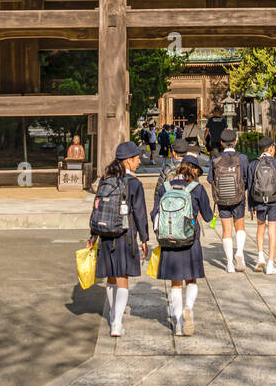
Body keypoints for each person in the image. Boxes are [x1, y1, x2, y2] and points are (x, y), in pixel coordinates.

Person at [87, 140, 148, 337]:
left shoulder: (106, 181)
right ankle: (116, 322)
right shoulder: (134, 184)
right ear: (128, 161)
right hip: (124, 235)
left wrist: (93, 235)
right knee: (123, 278)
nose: (139, 162)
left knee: (111, 278)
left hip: (105, 235)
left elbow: (97, 210)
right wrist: (144, 238)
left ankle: (113, 314)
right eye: (137, 159)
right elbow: (139, 213)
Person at [151, 157, 213, 337]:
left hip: (170, 240)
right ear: (194, 171)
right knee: (191, 279)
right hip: (190, 239)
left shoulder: (166, 187)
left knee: (175, 283)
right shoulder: (197, 189)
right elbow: (208, 216)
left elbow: (155, 212)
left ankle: (178, 324)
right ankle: (189, 307)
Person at [247, 137, 276, 275]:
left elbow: (250, 185)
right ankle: (270, 264)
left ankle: (260, 256)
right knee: (272, 230)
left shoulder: (254, 164)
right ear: (271, 148)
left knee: (260, 227)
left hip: (259, 200)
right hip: (274, 200)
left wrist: (251, 206)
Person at [210, 127, 250, 272]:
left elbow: (210, 179)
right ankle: (239, 252)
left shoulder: (215, 159)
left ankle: (229, 263)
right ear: (236, 141)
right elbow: (247, 178)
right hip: (238, 197)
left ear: (221, 143)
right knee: (239, 226)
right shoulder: (243, 158)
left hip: (222, 199)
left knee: (226, 229)